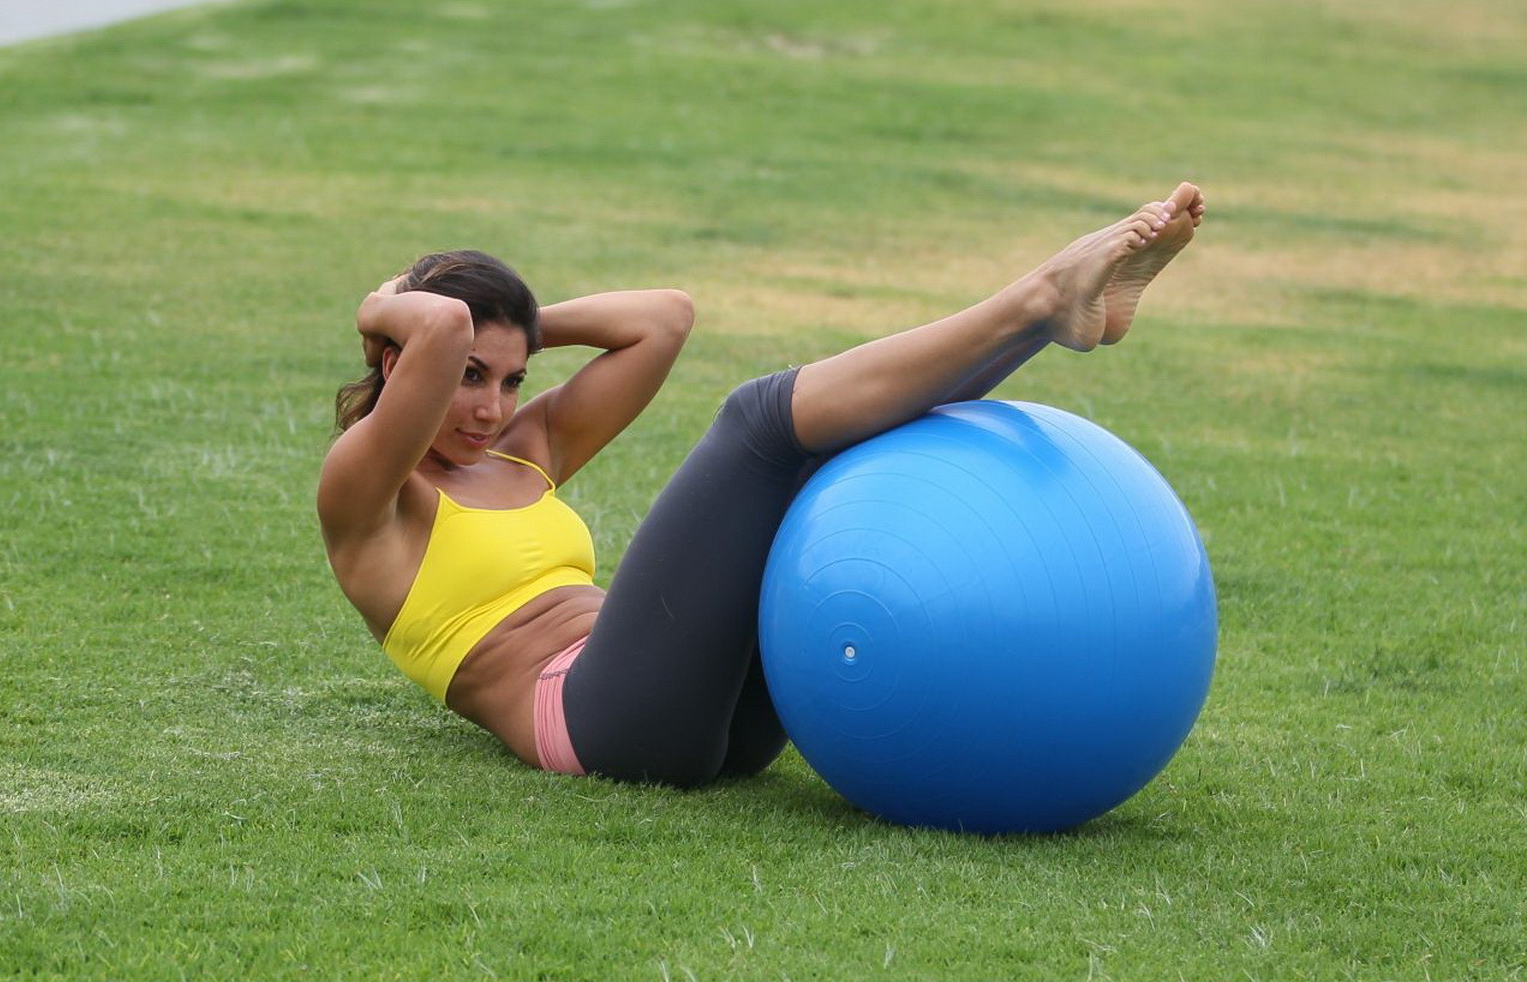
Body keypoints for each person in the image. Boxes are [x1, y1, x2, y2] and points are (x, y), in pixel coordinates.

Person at [317, 182, 1207, 787]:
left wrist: (514, 328)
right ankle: (1038, 298)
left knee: (819, 450)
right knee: (757, 424)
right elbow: (433, 328)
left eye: (509, 380)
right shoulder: (371, 493)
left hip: (721, 708)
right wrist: (383, 304)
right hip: (603, 721)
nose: (491, 406)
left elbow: (662, 319)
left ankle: (1049, 321)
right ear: (397, 362)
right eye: (469, 376)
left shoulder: (522, 452)